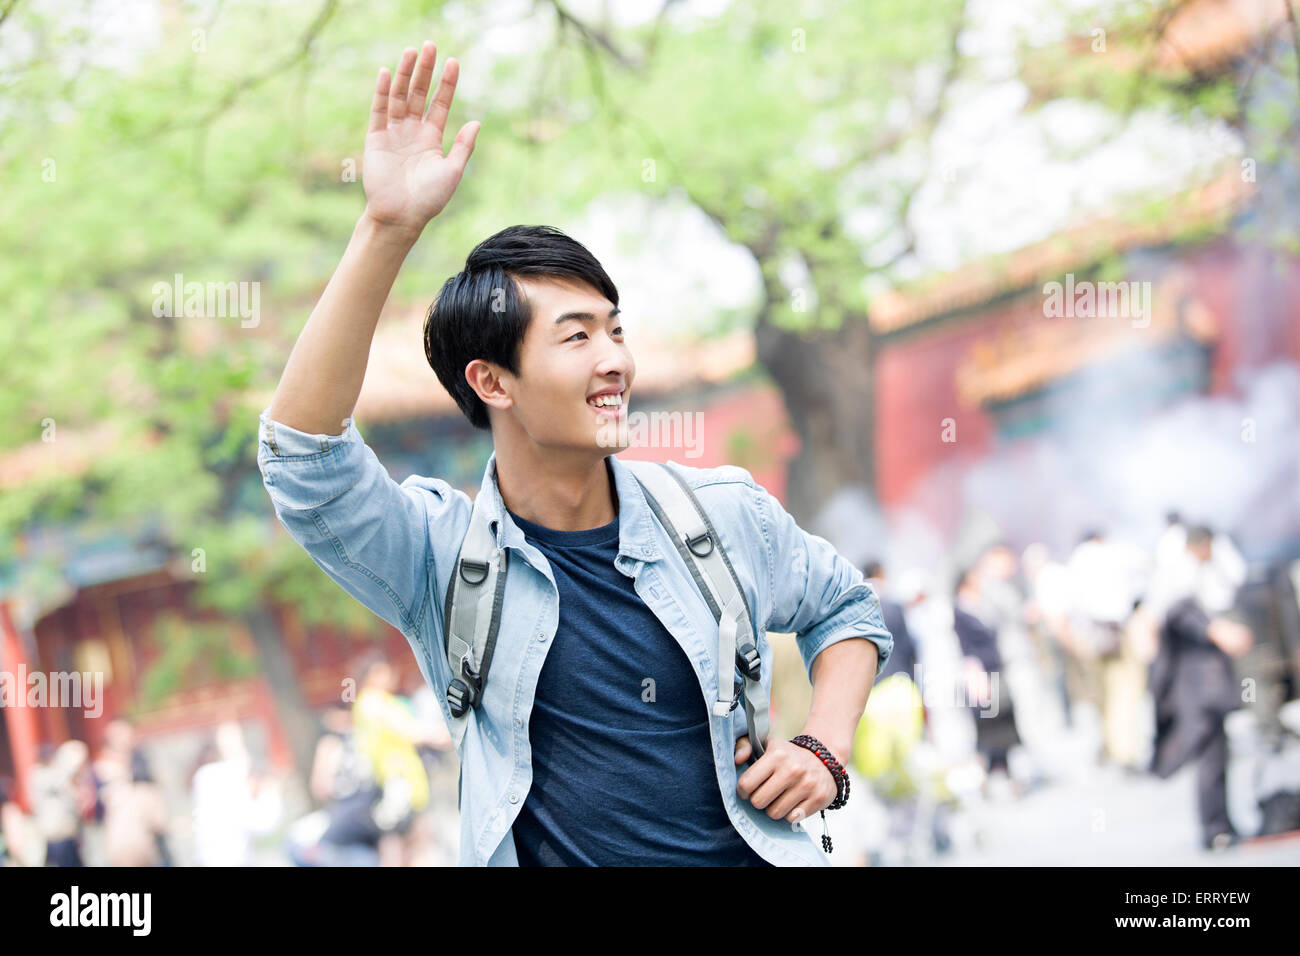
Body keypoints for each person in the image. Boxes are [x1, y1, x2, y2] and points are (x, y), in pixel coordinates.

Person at [256, 40, 893, 866]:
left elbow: (847, 609)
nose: (616, 361)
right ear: (493, 381)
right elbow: (307, 464)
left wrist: (824, 751)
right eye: (577, 336)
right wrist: (386, 227)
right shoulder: (440, 562)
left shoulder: (720, 515)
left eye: (616, 329)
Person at [1148, 526, 1253, 851]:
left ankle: (1222, 823)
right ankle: (1214, 828)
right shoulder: (1179, 576)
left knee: (1218, 754)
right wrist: (1216, 630)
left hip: (1204, 682)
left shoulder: (1195, 573)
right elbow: (1181, 614)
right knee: (1208, 755)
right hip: (1193, 684)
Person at [952, 566, 1024, 799]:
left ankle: (1004, 778)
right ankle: (983, 783)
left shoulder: (982, 606)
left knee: (1002, 726)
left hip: (995, 673)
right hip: (979, 676)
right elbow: (966, 650)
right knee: (986, 728)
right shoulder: (960, 612)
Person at [31, 740, 89, 867]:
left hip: (67, 831)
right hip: (56, 833)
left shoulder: (53, 775)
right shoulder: (40, 775)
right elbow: (60, 778)